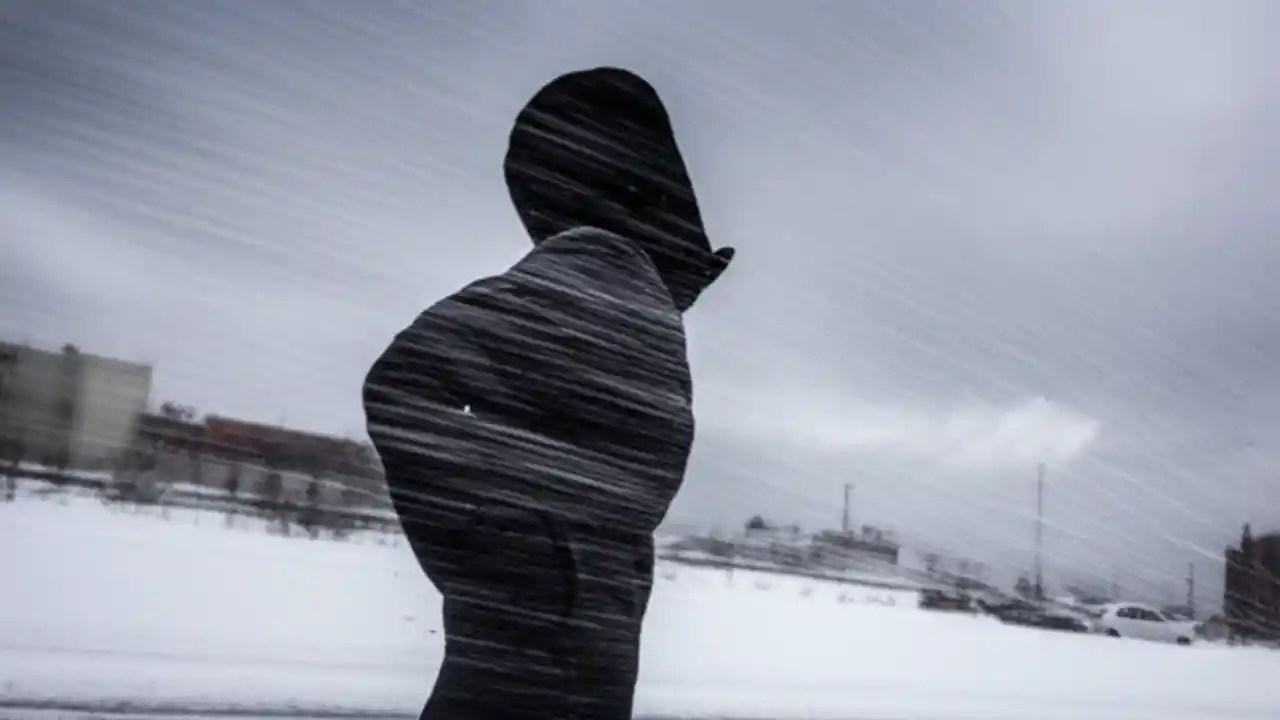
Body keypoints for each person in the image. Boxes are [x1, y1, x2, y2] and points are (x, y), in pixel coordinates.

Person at [363, 66, 734, 720]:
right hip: (536, 658)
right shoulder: (591, 275)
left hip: (581, 647)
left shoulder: (637, 297)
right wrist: (510, 551)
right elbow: (404, 383)